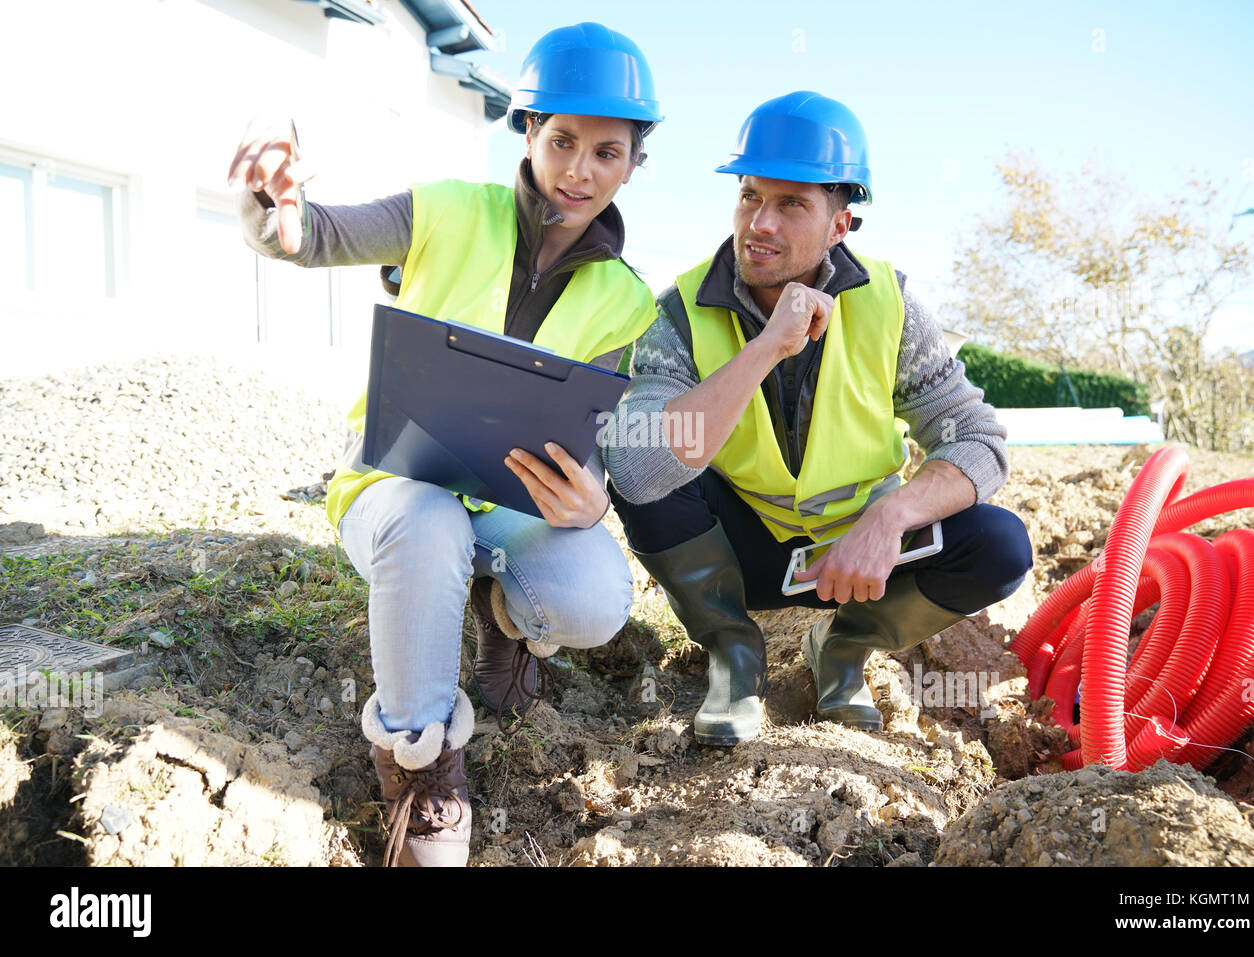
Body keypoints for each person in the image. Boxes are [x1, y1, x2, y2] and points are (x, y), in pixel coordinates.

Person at [227, 22, 662, 866]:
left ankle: (502, 614)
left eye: (608, 152)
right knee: (428, 521)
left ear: (633, 163)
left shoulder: (626, 298)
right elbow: (312, 235)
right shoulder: (447, 209)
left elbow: (590, 432)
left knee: (596, 594)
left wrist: (595, 495)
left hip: (506, 503)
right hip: (396, 488)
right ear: (527, 132)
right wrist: (273, 208)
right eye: (563, 141)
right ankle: (421, 760)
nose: (580, 170)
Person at [602, 91, 1033, 747]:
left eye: (792, 204)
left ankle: (840, 649)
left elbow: (979, 442)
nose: (760, 223)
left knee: (999, 546)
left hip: (857, 560)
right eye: (750, 196)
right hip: (740, 555)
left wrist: (890, 518)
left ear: (840, 223)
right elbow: (634, 470)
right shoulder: (680, 310)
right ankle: (733, 655)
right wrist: (767, 344)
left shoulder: (893, 303)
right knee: (656, 467)